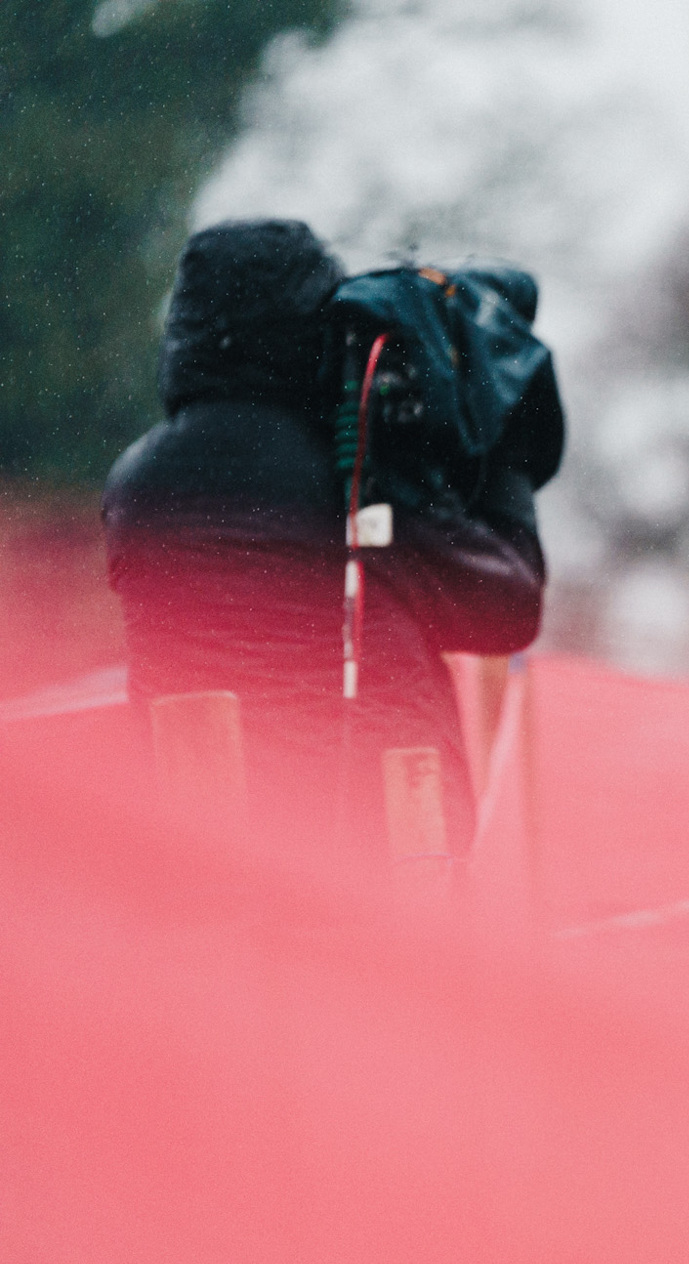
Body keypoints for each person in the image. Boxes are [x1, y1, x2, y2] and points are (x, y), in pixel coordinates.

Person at [102, 219, 561, 861]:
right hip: (379, 852)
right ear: (315, 325)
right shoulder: (357, 478)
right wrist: (505, 443)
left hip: (207, 852)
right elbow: (506, 610)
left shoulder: (136, 484)